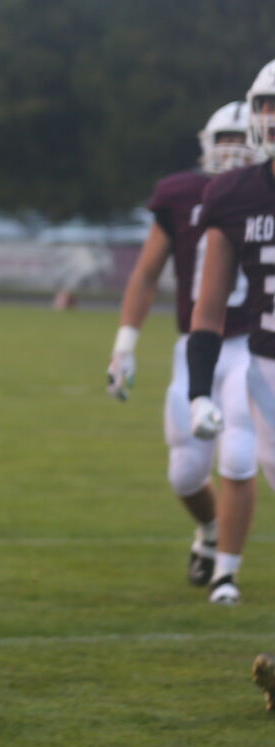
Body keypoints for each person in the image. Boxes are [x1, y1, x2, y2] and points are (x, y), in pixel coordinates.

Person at [107, 101, 257, 597]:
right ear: (206, 145)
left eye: (242, 137)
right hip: (196, 344)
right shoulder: (181, 195)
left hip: (254, 346)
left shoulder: (263, 193)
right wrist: (125, 346)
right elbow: (147, 273)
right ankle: (210, 532)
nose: (233, 149)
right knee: (186, 471)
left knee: (237, 453)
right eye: (225, 139)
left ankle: (226, 575)